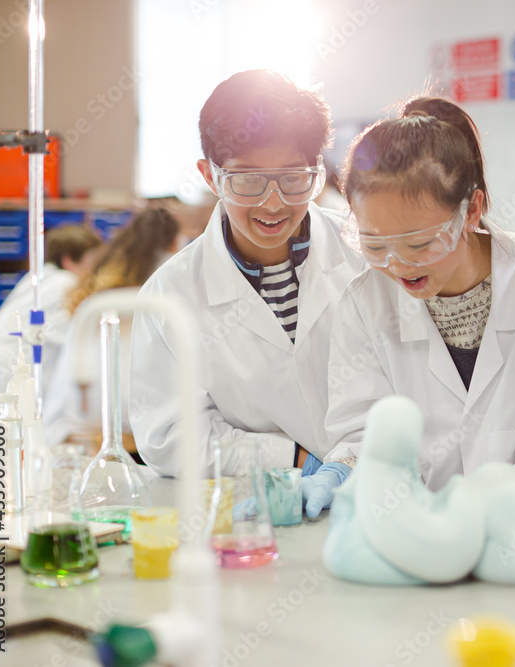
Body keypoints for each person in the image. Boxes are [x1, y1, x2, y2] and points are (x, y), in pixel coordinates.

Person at [310, 96, 515, 519]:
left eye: (420, 244)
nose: (398, 265)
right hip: (424, 551)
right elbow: (365, 436)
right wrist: (343, 468)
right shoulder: (364, 302)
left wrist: (478, 516)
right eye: (375, 246)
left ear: (472, 212)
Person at [129, 70, 363, 477]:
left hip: (375, 496)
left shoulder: (365, 254)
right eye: (248, 180)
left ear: (316, 173)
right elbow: (169, 437)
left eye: (293, 179)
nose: (273, 204)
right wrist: (293, 460)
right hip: (261, 508)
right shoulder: (171, 294)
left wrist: (351, 462)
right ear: (210, 176)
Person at [44, 207, 180, 451]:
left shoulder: (98, 293)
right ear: (172, 244)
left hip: (76, 432)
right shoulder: (164, 292)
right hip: (126, 439)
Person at [0, 224, 102, 416]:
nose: (96, 269)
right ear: (69, 260)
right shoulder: (66, 284)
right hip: (15, 386)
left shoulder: (39, 280)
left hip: (3, 384)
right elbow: (84, 337)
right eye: (93, 260)